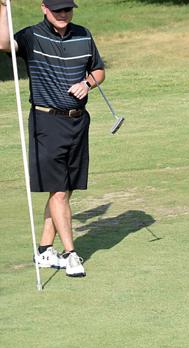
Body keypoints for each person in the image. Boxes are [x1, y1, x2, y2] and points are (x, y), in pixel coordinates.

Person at [1, 0, 106, 278]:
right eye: (57, 9)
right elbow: (3, 44)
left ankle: (45, 250)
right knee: (59, 191)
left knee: (65, 189)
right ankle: (71, 255)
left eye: (67, 9)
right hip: (47, 122)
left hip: (78, 121)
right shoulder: (32, 36)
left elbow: (98, 70)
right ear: (44, 8)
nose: (63, 14)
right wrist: (3, 8)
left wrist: (87, 84)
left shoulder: (83, 34)